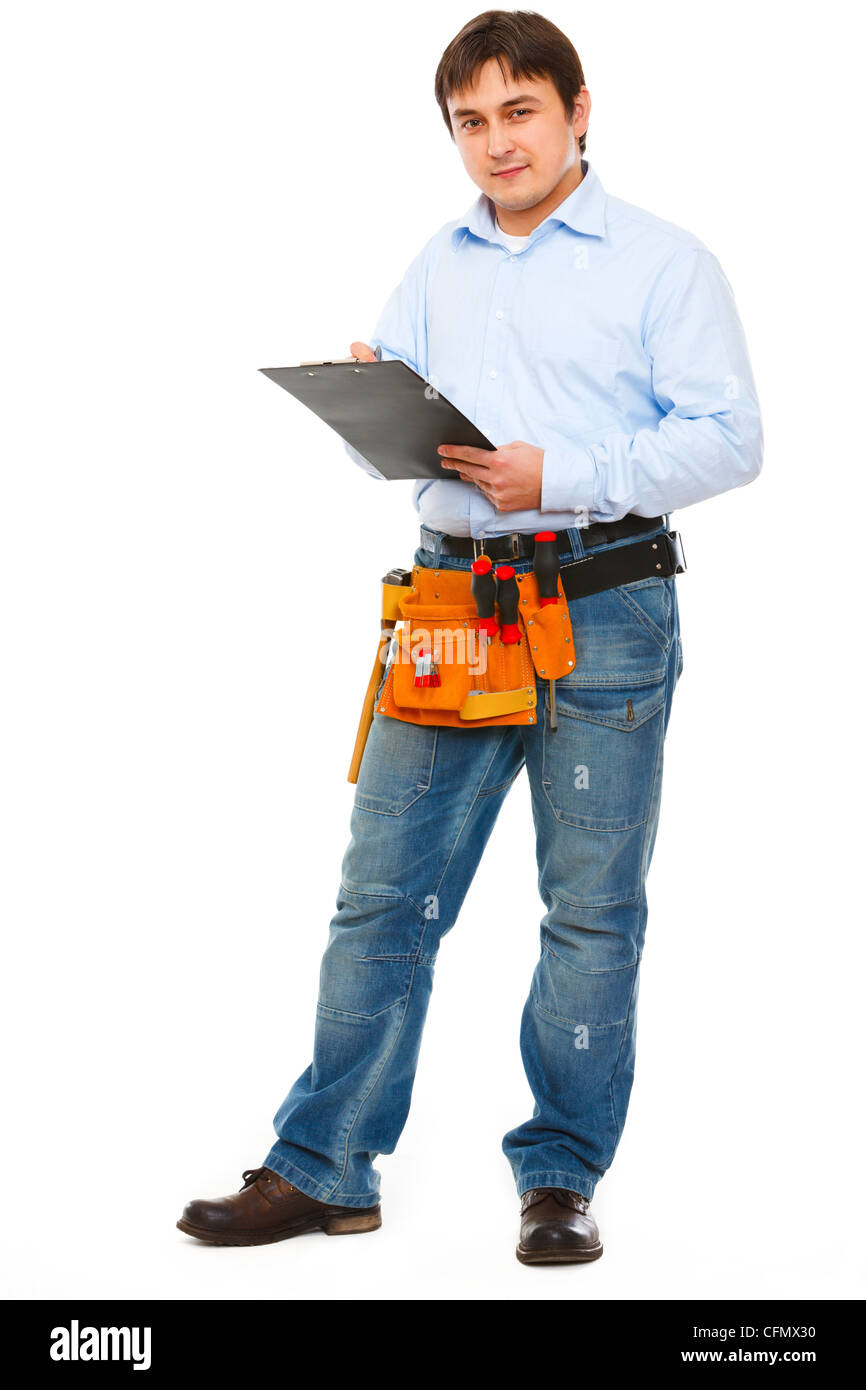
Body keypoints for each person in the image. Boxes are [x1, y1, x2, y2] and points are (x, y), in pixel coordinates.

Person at [177, 9, 762, 1265]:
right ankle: (322, 1166)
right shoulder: (435, 262)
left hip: (603, 606)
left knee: (590, 908)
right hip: (450, 608)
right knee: (382, 891)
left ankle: (558, 1177)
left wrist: (560, 470)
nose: (496, 144)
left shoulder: (665, 263)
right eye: (470, 122)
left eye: (518, 112)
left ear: (576, 109)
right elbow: (398, 436)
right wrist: (367, 401)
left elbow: (726, 438)